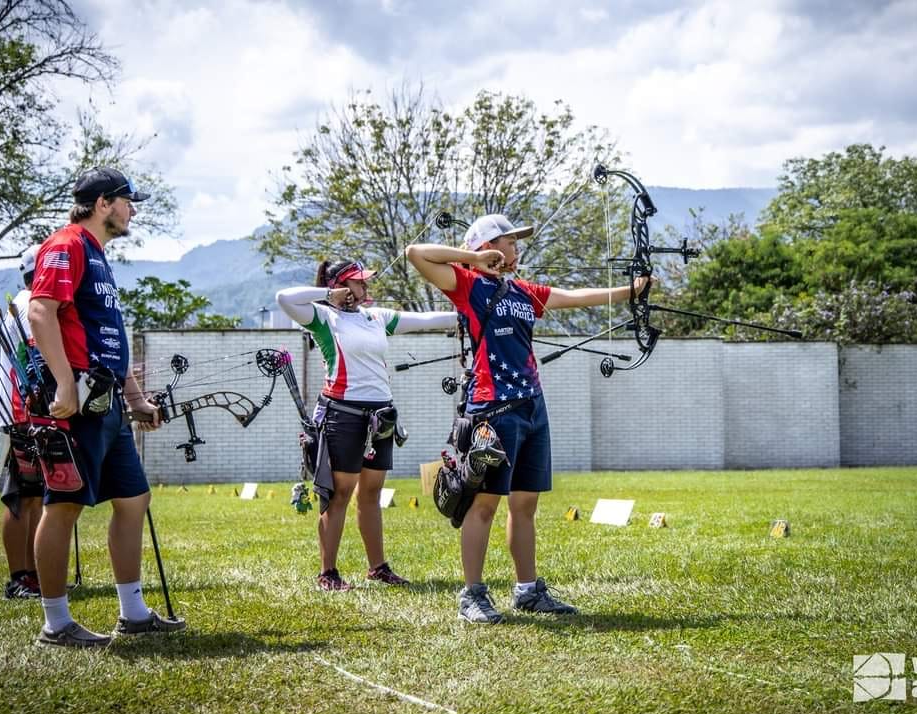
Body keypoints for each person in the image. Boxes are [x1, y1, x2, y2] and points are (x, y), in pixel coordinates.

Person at [406, 213, 649, 624]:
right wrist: (472, 259)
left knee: (526, 503)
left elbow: (574, 297)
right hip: (492, 409)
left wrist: (631, 290)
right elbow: (416, 254)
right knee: (483, 504)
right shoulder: (467, 286)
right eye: (509, 240)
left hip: (532, 407)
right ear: (488, 247)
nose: (517, 246)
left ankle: (528, 591)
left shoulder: (523, 291)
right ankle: (473, 595)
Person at [27, 167, 184, 647]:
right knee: (65, 507)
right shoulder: (68, 244)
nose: (131, 209)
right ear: (103, 204)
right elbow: (40, 310)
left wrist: (135, 398)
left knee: (134, 500)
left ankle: (133, 613)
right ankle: (56, 623)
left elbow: (106, 340)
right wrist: (62, 385)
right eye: (127, 200)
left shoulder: (97, 256)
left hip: (108, 403)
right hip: (77, 402)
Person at [276, 261, 456, 590]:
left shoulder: (376, 317)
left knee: (371, 493)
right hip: (343, 414)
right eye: (359, 283)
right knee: (340, 494)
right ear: (342, 287)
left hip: (380, 415)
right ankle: (327, 573)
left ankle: (378, 567)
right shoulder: (323, 317)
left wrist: (470, 312)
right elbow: (284, 298)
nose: (366, 288)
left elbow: (429, 319)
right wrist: (328, 295)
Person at [0, 246, 42, 600]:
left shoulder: (26, 301)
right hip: (21, 413)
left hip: (28, 413)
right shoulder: (30, 304)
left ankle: (32, 574)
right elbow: (36, 355)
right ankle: (18, 578)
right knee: (20, 498)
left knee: (35, 498)